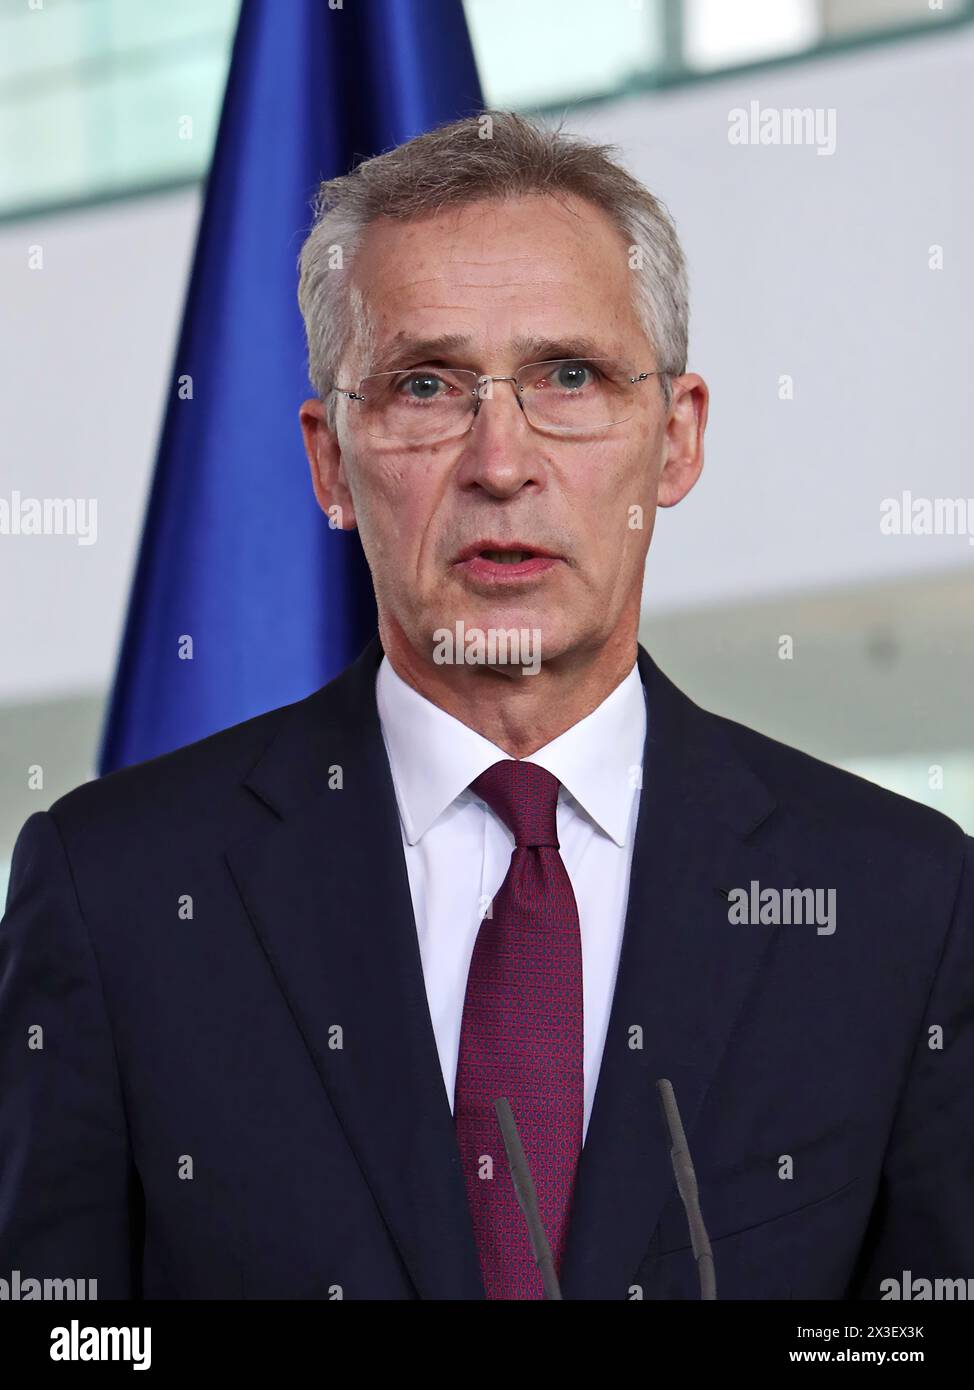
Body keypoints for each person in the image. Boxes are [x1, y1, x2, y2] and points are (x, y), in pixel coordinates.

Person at [1, 111, 971, 1301]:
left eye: (569, 375)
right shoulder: (115, 893)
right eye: (426, 384)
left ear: (674, 439)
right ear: (328, 463)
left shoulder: (902, 902)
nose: (499, 460)